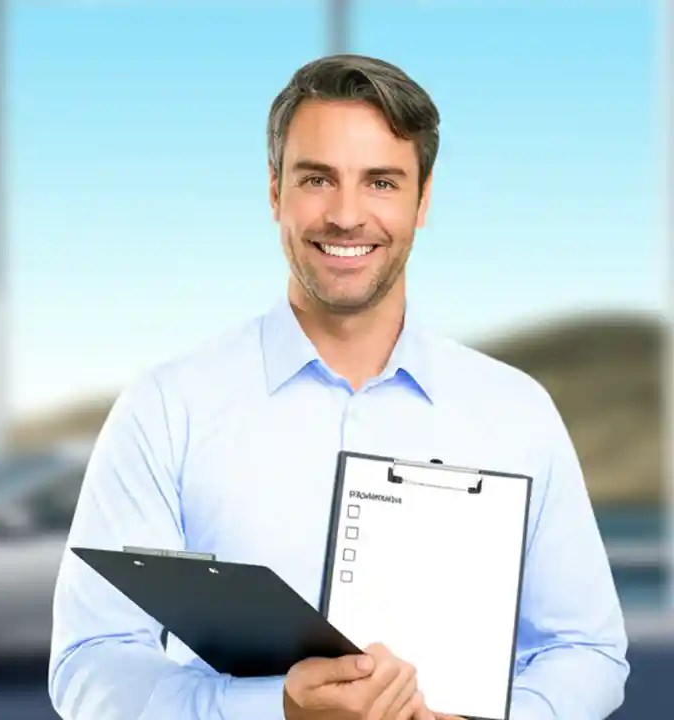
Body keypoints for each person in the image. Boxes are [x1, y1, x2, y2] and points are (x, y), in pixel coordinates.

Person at [47, 54, 629, 720]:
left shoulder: (516, 413)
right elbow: (89, 664)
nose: (347, 216)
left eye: (381, 182)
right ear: (274, 193)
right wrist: (277, 709)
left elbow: (588, 652)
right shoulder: (165, 409)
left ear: (424, 199)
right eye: (318, 179)